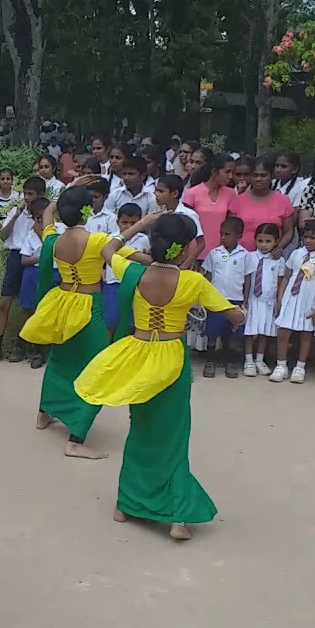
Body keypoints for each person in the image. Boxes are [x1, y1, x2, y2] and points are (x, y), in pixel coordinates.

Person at [74, 212, 245, 541]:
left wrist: (139, 224)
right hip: (170, 359)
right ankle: (177, 518)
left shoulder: (134, 271)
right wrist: (242, 313)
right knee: (173, 436)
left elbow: (109, 247)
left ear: (154, 244)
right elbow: (233, 315)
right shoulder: (193, 282)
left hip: (137, 355)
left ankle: (125, 504)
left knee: (141, 429)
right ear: (185, 250)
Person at [21, 181, 138, 459]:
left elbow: (48, 216)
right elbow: (125, 247)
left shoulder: (54, 240)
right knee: (98, 369)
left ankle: (43, 413)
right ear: (87, 210)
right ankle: (75, 440)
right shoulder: (97, 240)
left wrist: (66, 190)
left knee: (60, 360)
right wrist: (144, 222)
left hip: (62, 302)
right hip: (88, 306)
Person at [0, 174, 41, 364]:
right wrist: (16, 215)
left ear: (40, 195)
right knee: (4, 303)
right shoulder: (17, 210)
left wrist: (36, 217)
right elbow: (2, 235)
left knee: (29, 306)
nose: (26, 198)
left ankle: (23, 345)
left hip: (32, 259)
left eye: (30, 194)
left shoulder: (43, 215)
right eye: (25, 194)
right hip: (15, 256)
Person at [270, 219, 315, 383]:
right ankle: (281, 365)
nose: (308, 241)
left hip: (309, 299)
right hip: (291, 297)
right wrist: (280, 299)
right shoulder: (297, 253)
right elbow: (286, 277)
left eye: (313, 238)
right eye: (306, 237)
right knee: (283, 332)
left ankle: (300, 367)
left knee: (306, 334)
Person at [200, 217, 250, 378]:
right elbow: (206, 275)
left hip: (235, 300)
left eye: (227, 234)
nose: (223, 238)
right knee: (213, 332)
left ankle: (230, 362)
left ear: (239, 236)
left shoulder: (245, 255)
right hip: (215, 301)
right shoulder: (214, 253)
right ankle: (211, 361)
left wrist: (245, 300)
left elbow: (247, 279)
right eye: (221, 234)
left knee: (232, 333)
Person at [229, 155, 295, 254]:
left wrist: (278, 248)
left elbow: (289, 231)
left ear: (271, 176)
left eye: (263, 175)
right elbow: (231, 230)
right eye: (255, 175)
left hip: (271, 257)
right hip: (241, 256)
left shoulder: (283, 200)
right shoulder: (238, 200)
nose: (258, 179)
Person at [242, 223, 284, 377]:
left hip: (268, 301)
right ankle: (248, 361)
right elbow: (246, 280)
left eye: (268, 241)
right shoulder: (249, 257)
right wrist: (244, 301)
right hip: (253, 300)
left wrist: (278, 302)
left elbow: (280, 283)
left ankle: (259, 359)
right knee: (250, 331)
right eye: (260, 241)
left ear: (276, 241)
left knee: (264, 332)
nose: (264, 245)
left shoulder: (279, 261)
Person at [101, 203, 148, 339]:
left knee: (131, 324)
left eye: (133, 223)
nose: (128, 226)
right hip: (113, 284)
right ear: (117, 222)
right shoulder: (110, 239)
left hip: (135, 285)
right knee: (110, 322)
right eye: (124, 222)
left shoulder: (144, 239)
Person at [181, 154, 236, 258]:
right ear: (215, 171)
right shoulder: (192, 193)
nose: (230, 176)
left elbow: (231, 224)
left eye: (232, 172)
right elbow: (185, 226)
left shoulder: (231, 194)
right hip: (194, 252)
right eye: (227, 172)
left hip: (220, 253)